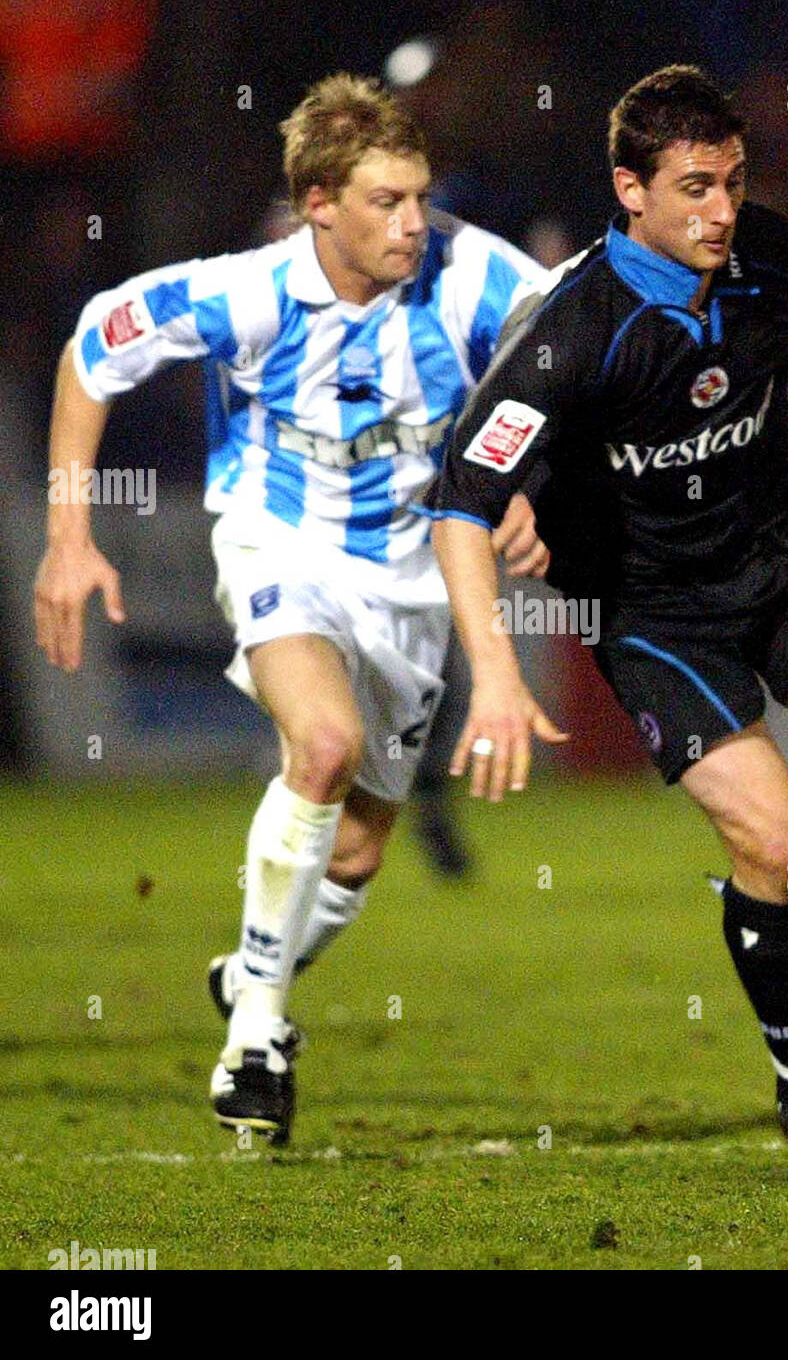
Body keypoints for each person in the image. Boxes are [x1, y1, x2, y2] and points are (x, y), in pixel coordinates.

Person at [430, 65, 788, 1165]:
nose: (721, 210)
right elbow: (462, 498)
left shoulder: (765, 255)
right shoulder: (572, 328)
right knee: (767, 840)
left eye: (733, 182)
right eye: (694, 187)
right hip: (654, 616)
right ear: (628, 189)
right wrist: (495, 671)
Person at [33, 73, 548, 1145]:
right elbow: (93, 349)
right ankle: (255, 1041)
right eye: (386, 204)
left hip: (418, 577)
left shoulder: (475, 275)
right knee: (319, 744)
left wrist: (542, 490)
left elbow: (568, 368)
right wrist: (71, 537)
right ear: (319, 204)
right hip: (281, 542)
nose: (416, 223)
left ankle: (248, 970)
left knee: (354, 856)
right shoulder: (247, 292)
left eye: (420, 197)